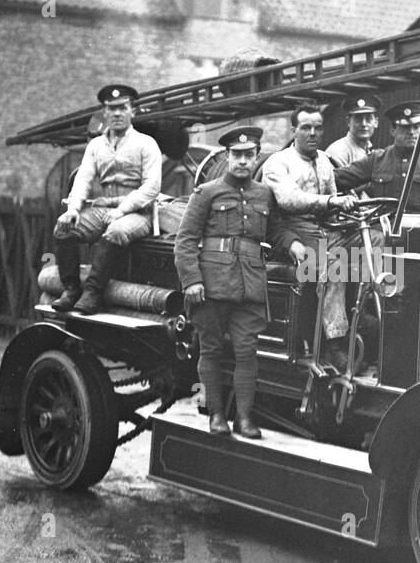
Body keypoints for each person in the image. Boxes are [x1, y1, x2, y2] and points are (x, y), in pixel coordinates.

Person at [175, 127, 307, 439]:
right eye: (237, 155)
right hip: (212, 284)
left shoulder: (264, 195)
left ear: (257, 156)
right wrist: (192, 281)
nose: (243, 162)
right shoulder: (206, 193)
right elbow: (185, 241)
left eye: (249, 155)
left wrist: (293, 244)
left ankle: (244, 419)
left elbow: (275, 231)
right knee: (210, 349)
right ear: (227, 156)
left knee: (247, 351)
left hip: (249, 285)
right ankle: (216, 416)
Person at [260, 104, 358, 366]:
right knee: (334, 262)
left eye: (318, 128)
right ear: (294, 131)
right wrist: (331, 202)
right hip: (290, 230)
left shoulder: (324, 160)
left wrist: (346, 210)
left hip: (323, 226)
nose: (313, 133)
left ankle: (376, 314)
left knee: (379, 243)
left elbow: (334, 199)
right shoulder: (278, 163)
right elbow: (289, 200)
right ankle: (334, 342)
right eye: (306, 128)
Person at [52, 83, 162, 314]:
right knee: (63, 229)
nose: (117, 113)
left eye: (123, 108)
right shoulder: (95, 145)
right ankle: (71, 289)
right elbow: (83, 179)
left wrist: (121, 210)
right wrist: (73, 209)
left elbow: (152, 187)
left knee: (116, 231)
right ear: (105, 112)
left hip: (137, 212)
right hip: (104, 207)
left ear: (133, 110)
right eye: (112, 109)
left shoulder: (146, 143)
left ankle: (92, 293)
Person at [333, 101, 420, 214]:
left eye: (416, 126)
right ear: (393, 130)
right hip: (383, 232)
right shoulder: (377, 159)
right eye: (405, 127)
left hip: (417, 233)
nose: (412, 132)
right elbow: (337, 179)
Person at [325, 94, 382, 168]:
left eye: (368, 119)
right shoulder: (338, 151)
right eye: (358, 119)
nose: (363, 124)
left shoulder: (369, 150)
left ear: (376, 122)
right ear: (348, 121)